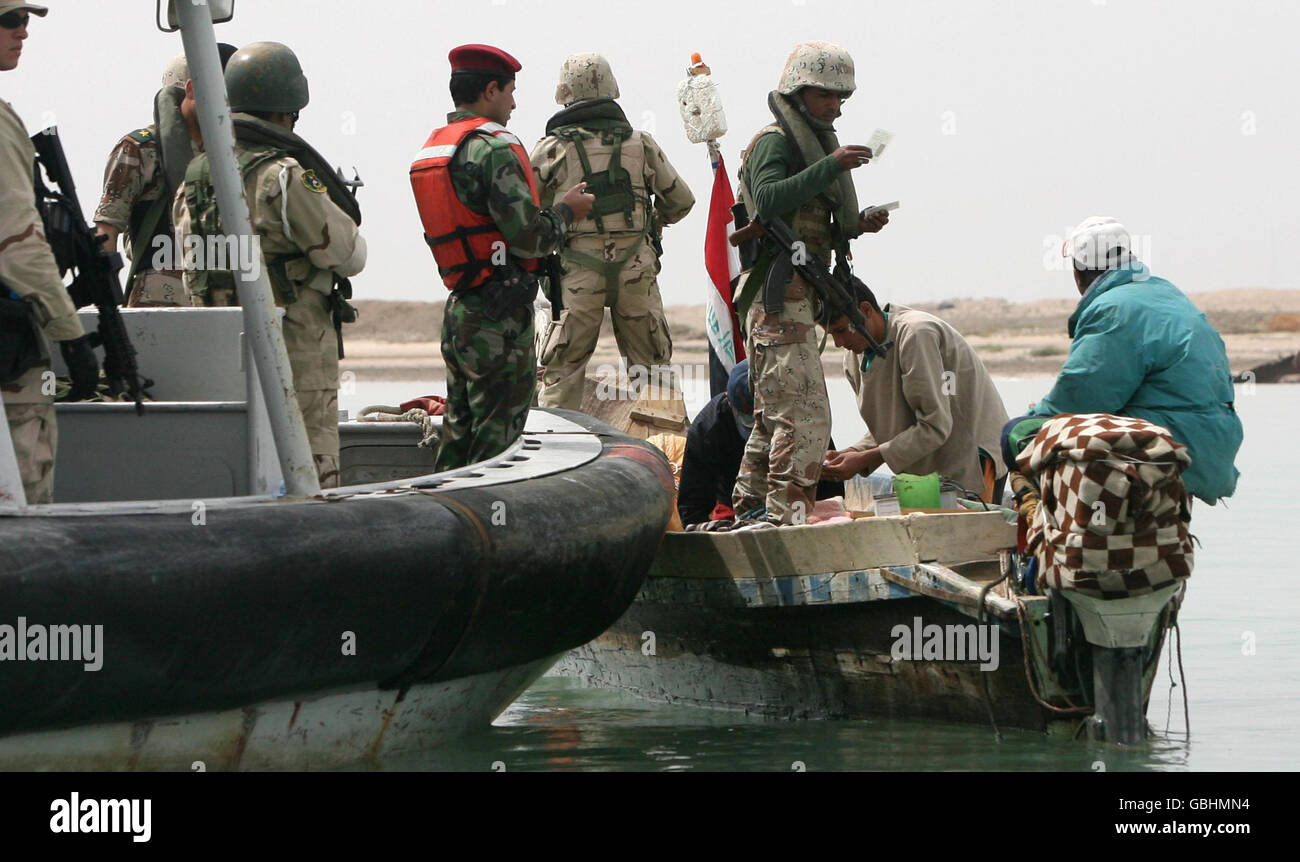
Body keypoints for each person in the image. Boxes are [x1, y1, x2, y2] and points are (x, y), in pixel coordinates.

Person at [174, 41, 366, 488]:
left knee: (234, 470)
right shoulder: (283, 174)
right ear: (288, 112)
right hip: (293, 350)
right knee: (310, 471)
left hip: (220, 353)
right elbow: (347, 254)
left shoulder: (196, 178)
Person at [410, 44, 594, 471]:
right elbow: (529, 238)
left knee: (459, 428)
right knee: (498, 437)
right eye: (510, 90)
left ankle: (449, 519)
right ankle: (489, 527)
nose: (514, 102)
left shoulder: (436, 148)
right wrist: (567, 211)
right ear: (490, 90)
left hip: (461, 309)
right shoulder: (491, 148)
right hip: (500, 316)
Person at [729, 41, 889, 526]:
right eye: (827, 96)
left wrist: (858, 223)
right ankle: (787, 522)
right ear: (799, 92)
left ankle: (750, 511)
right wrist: (831, 166)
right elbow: (769, 201)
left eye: (842, 98)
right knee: (806, 415)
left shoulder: (813, 144)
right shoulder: (775, 141)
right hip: (777, 293)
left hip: (799, 293)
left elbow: (812, 220)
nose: (836, 106)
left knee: (774, 413)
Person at [1023, 216, 1242, 504]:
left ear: (1078, 271)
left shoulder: (1114, 309)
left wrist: (1031, 422)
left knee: (1019, 437)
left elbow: (1083, 395)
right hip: (1208, 448)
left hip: (1161, 450)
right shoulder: (1166, 294)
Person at [531, 53, 695, 409]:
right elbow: (681, 201)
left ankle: (558, 451)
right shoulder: (641, 144)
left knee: (564, 370)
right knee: (653, 373)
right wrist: (652, 226)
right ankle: (668, 453)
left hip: (576, 272)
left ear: (564, 93)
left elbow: (527, 214)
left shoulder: (552, 149)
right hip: (636, 269)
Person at [0, 1, 97, 504]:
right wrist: (71, 337)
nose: (24, 32)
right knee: (23, 508)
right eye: (10, 21)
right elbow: (19, 247)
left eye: (26, 21)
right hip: (10, 358)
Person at [821, 282, 1010, 503]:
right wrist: (852, 452)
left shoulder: (916, 334)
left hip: (970, 457)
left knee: (969, 531)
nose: (839, 342)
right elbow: (891, 425)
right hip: (929, 465)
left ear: (865, 310)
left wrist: (864, 458)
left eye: (841, 330)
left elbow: (934, 424)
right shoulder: (854, 356)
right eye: (831, 334)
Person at [93, 46, 236, 308]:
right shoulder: (140, 149)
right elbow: (107, 229)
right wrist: (108, 304)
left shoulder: (230, 156)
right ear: (191, 91)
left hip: (218, 299)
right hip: (157, 300)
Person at [679, 359, 845, 526]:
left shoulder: (805, 422)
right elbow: (692, 509)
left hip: (799, 508)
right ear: (730, 402)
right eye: (752, 424)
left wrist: (808, 516)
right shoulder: (708, 429)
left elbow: (831, 491)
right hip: (734, 509)